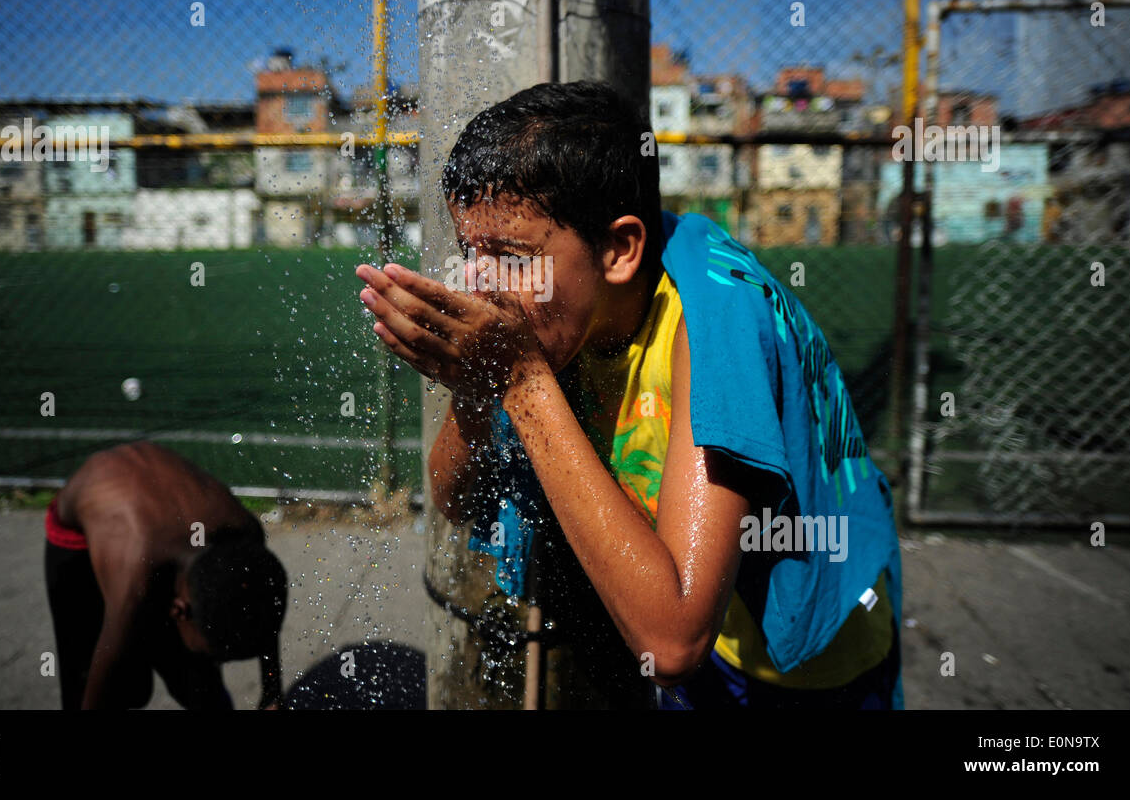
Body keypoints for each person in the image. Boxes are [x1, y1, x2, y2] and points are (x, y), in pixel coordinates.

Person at [355, 80, 903, 708]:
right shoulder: (566, 307)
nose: (479, 286)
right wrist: (479, 390)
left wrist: (521, 382)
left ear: (619, 249)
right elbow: (454, 501)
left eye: (509, 255)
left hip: (812, 669)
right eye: (469, 252)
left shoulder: (716, 322)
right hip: (715, 642)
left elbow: (671, 644)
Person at [44, 440, 287, 709]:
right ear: (179, 610)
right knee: (124, 687)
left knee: (201, 688)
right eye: (217, 656)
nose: (220, 663)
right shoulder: (133, 586)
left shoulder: (245, 535)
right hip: (79, 540)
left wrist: (272, 693)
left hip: (155, 518)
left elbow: (264, 610)